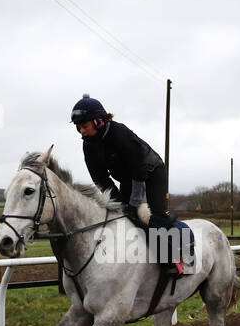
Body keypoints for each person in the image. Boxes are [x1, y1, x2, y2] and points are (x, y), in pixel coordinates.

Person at [72, 94, 184, 275]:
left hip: (151, 171)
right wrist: (118, 204)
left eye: (84, 126)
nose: (82, 131)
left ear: (99, 122)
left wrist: (133, 203)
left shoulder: (119, 133)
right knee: (123, 216)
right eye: (78, 128)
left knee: (154, 217)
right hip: (127, 179)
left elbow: (138, 171)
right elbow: (101, 179)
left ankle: (172, 259)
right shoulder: (88, 146)